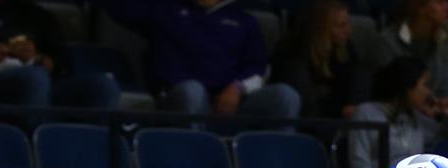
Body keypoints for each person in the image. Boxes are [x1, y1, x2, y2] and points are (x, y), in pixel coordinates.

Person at [106, 0, 302, 122]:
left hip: (229, 101)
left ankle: (277, 164)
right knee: (193, 91)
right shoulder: (164, 8)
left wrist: (237, 88)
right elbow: (118, 7)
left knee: (285, 96)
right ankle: (194, 160)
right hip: (177, 96)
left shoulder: (244, 20)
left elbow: (258, 70)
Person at [272, 0, 368, 124]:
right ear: (321, 27)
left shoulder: (344, 47)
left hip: (337, 117)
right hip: (304, 121)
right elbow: (307, 103)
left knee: (362, 74)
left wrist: (353, 106)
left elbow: (351, 81)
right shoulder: (292, 50)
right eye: (340, 25)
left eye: (348, 24)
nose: (348, 30)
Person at [375, 0, 448, 131]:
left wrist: (443, 102)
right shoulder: (388, 43)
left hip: (433, 119)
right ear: (421, 7)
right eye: (440, 2)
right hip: (394, 119)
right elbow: (388, 90)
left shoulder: (446, 45)